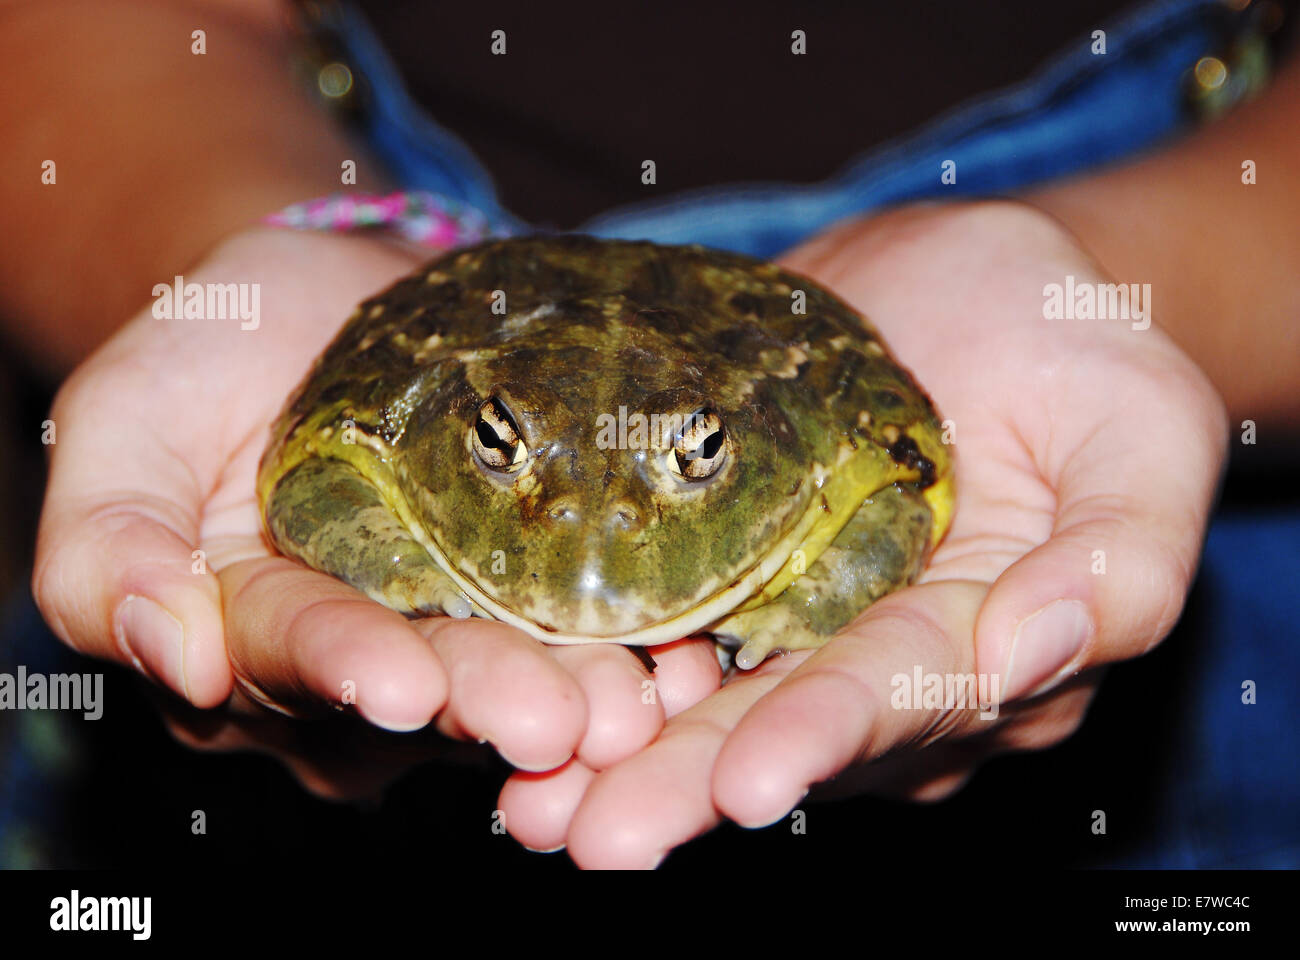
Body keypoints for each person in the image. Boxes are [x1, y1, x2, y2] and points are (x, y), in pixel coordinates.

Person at [6, 0, 1297, 868]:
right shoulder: (422, 389)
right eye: (500, 450)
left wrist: (1129, 283)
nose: (588, 541)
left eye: (690, 461)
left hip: (1162, 203)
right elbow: (321, 461)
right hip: (360, 206)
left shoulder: (814, 412)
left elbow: (893, 476)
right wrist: (213, 245)